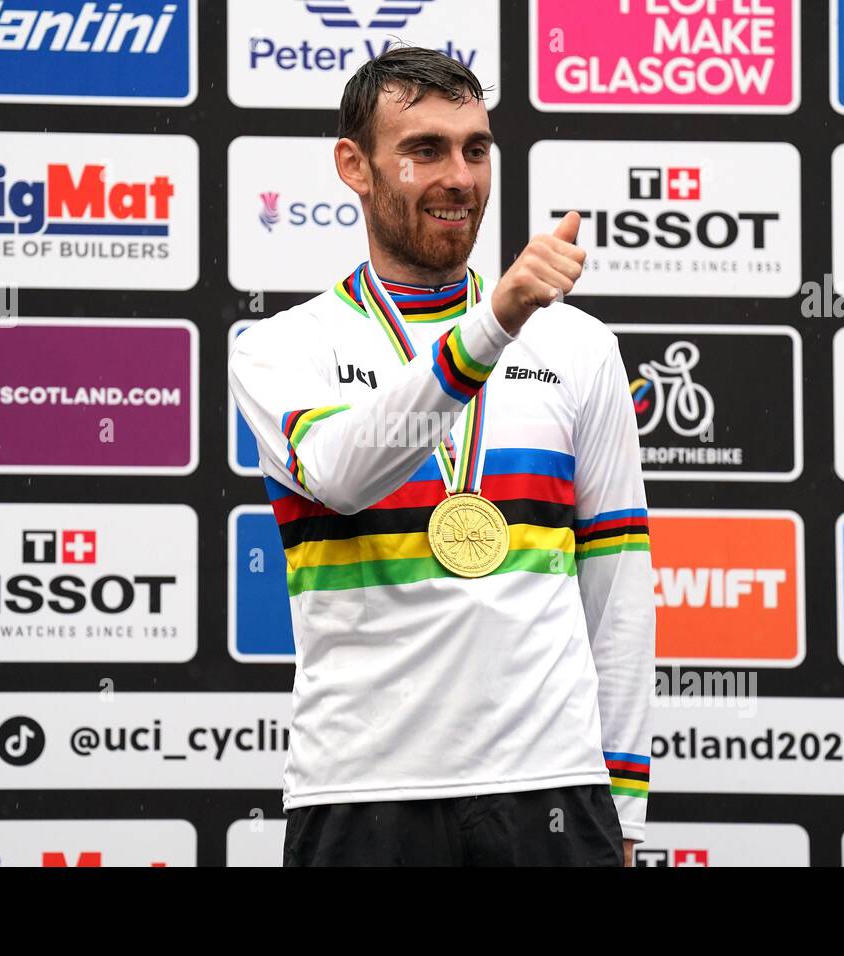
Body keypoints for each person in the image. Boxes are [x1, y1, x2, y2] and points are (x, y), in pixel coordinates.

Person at [228, 47, 654, 867]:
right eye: (424, 150)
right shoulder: (283, 349)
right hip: (361, 789)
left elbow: (618, 578)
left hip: (552, 787)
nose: (459, 176)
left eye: (475, 148)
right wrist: (494, 324)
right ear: (355, 165)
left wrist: (625, 802)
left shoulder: (579, 345)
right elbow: (345, 474)